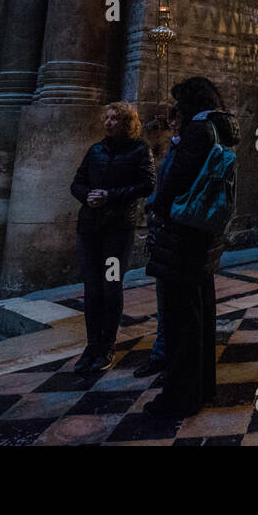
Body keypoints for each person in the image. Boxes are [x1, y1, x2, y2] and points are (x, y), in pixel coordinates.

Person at [143, 76, 239, 418]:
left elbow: (176, 180)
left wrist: (155, 206)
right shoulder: (219, 126)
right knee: (199, 312)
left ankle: (179, 398)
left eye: (180, 101)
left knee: (181, 318)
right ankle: (201, 388)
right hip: (202, 232)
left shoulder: (198, 131)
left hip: (182, 233)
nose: (177, 108)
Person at [70, 102, 155, 371]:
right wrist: (87, 195)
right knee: (92, 288)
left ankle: (107, 345)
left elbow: (147, 184)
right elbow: (77, 182)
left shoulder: (140, 150)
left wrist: (110, 196)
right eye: (106, 118)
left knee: (110, 285)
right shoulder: (95, 150)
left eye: (114, 119)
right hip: (89, 229)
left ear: (128, 123)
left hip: (117, 231)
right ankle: (91, 345)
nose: (108, 123)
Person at [135, 102, 182, 380]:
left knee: (175, 300)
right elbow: (160, 186)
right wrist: (153, 208)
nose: (173, 125)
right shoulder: (174, 150)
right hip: (163, 231)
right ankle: (161, 353)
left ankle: (171, 356)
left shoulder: (190, 151)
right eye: (172, 120)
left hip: (176, 233)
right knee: (164, 299)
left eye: (177, 120)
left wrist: (158, 209)